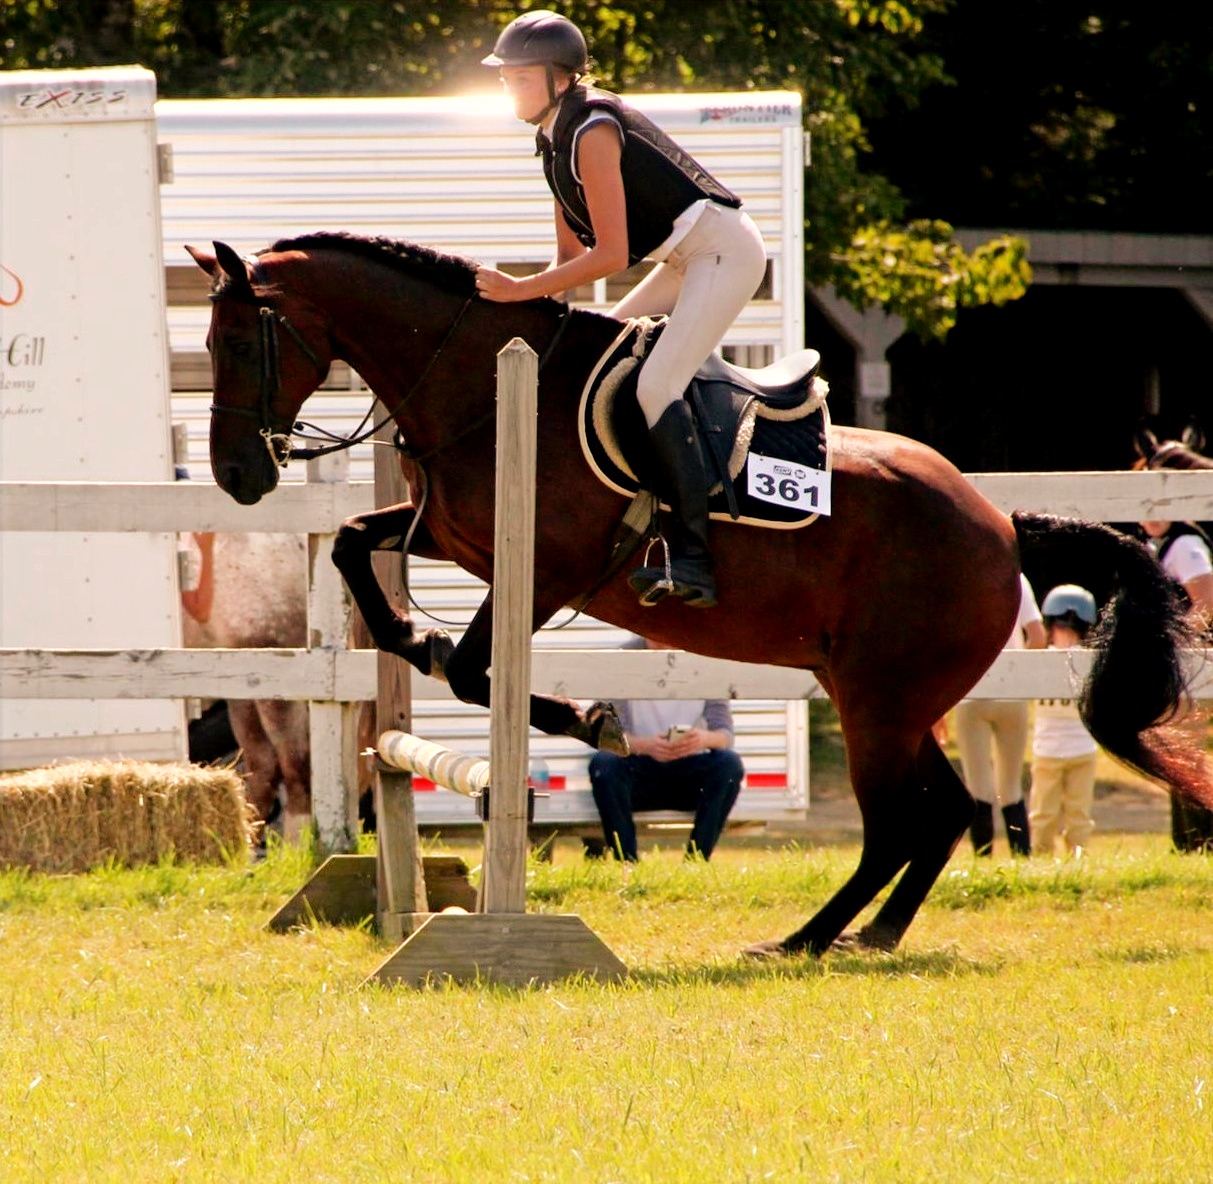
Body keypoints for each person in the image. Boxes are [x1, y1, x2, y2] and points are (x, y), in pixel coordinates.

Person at [476, 10, 768, 609]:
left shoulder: (593, 131)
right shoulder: (551, 138)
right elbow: (567, 252)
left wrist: (515, 291)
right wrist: (537, 324)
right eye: (506, 77)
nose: (510, 87)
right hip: (685, 259)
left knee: (656, 385)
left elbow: (608, 255)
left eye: (521, 77)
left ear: (560, 80)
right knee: (601, 352)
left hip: (723, 253)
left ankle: (693, 558)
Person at [587, 636, 744, 861]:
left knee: (729, 764)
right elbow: (608, 735)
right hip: (640, 773)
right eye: (655, 636)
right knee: (604, 763)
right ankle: (626, 860)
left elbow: (724, 735)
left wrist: (701, 739)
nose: (663, 643)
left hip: (688, 772)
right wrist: (646, 746)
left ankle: (696, 859)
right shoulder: (624, 658)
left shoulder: (704, 658)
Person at [954, 573, 1047, 856]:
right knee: (1011, 786)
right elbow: (1038, 636)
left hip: (972, 694)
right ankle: (1022, 856)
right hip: (1012, 696)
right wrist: (1021, 677)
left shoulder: (960, 578)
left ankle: (983, 859)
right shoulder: (1016, 579)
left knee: (978, 786)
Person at [1141, 516, 1213, 850]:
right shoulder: (1153, 547)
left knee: (1188, 751)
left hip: (1192, 666)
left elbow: (1207, 601)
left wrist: (1173, 641)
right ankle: (1188, 841)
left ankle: (1197, 841)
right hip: (1180, 666)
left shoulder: (1183, 546)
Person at [1028, 585, 1100, 857]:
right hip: (1047, 752)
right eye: (1061, 630)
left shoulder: (1090, 662)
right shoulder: (1039, 662)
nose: (1066, 637)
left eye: (1072, 631)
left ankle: (1078, 860)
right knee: (1043, 813)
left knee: (1079, 814)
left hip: (1081, 751)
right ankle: (1041, 859)